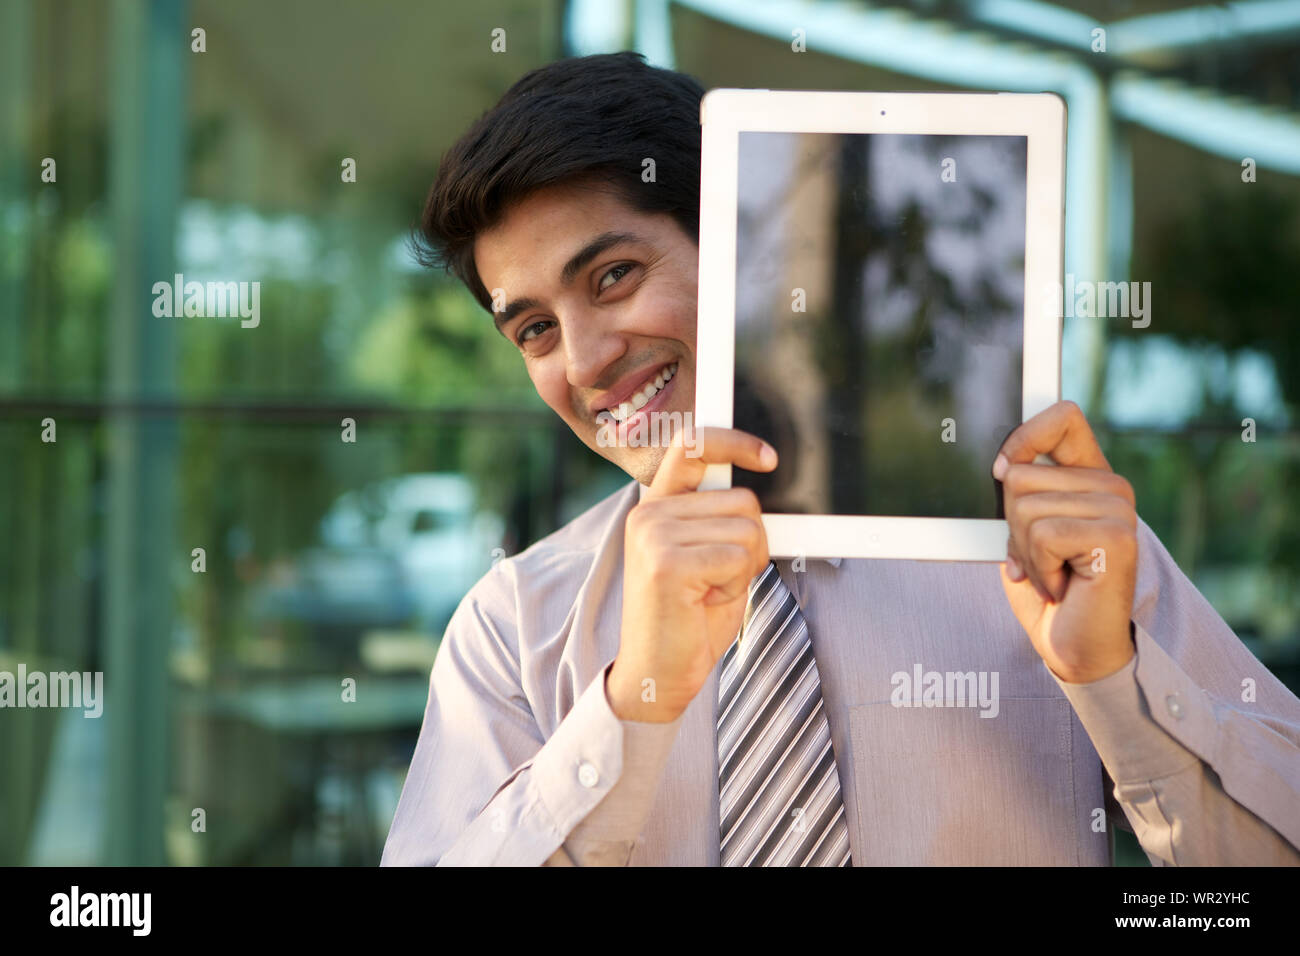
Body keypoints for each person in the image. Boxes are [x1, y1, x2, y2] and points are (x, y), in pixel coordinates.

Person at [381, 52, 1300, 866]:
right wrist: (630, 705)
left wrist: (1114, 679)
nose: (583, 361)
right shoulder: (512, 628)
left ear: (743, 253)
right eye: (536, 329)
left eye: (614, 276)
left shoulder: (1048, 548)